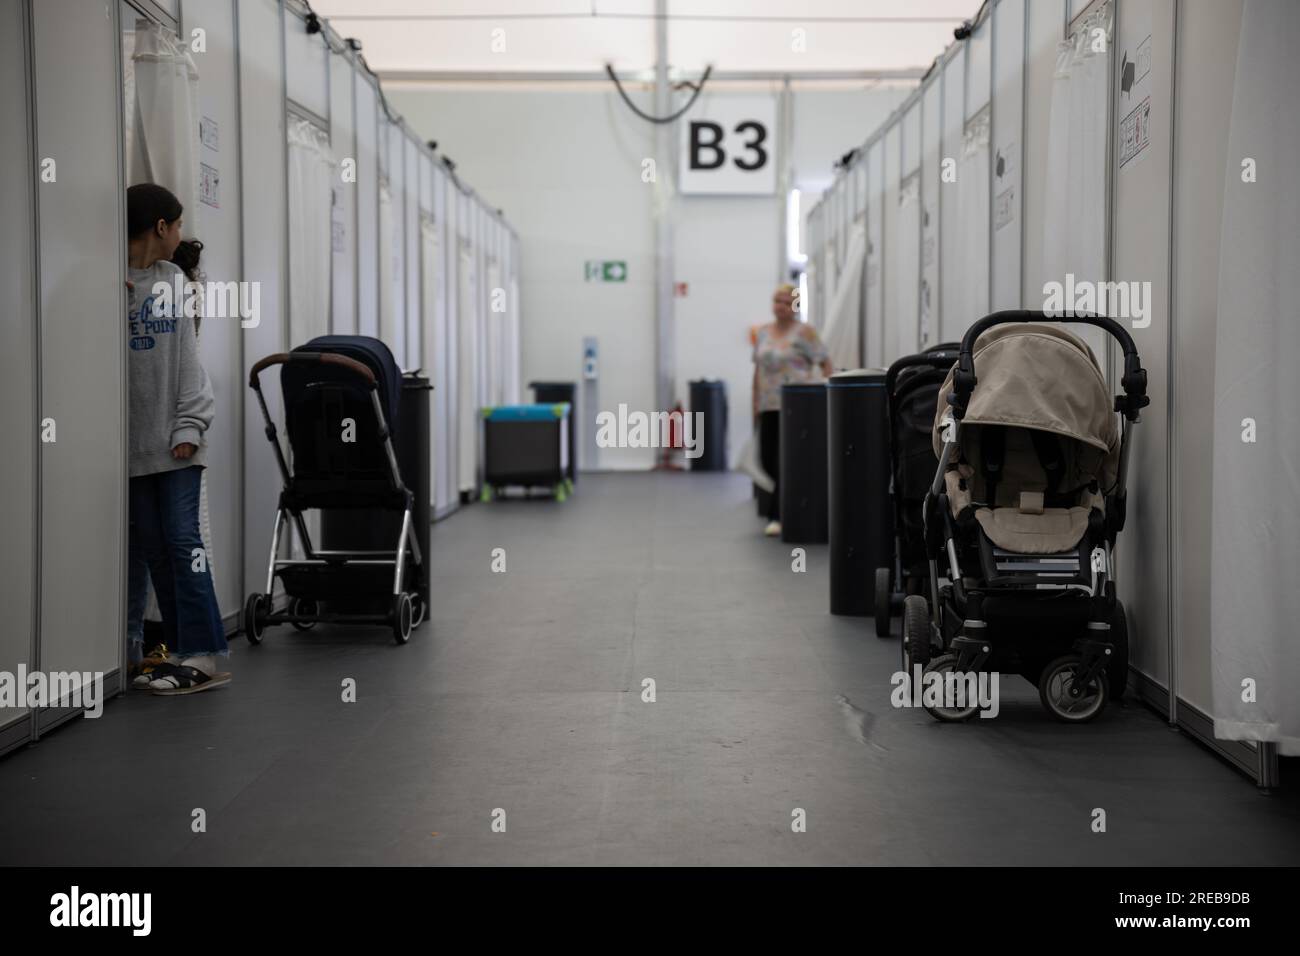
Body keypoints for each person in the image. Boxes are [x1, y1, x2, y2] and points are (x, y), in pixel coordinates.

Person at [125, 183, 230, 695]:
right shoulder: (112, 285)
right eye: (179, 223)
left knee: (183, 542)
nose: (182, 234)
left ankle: (205, 655)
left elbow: (190, 368)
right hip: (132, 448)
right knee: (154, 548)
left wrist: (189, 426)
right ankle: (178, 651)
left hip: (178, 441)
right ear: (160, 227)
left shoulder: (174, 284)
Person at [751, 283, 833, 537]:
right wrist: (754, 403)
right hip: (769, 404)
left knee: (788, 460)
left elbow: (826, 364)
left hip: (799, 406)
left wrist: (825, 396)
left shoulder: (805, 333)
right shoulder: (763, 332)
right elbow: (758, 372)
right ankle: (784, 507)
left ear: (796, 306)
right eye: (778, 301)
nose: (781, 306)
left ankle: (778, 514)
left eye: (787, 302)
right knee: (767, 459)